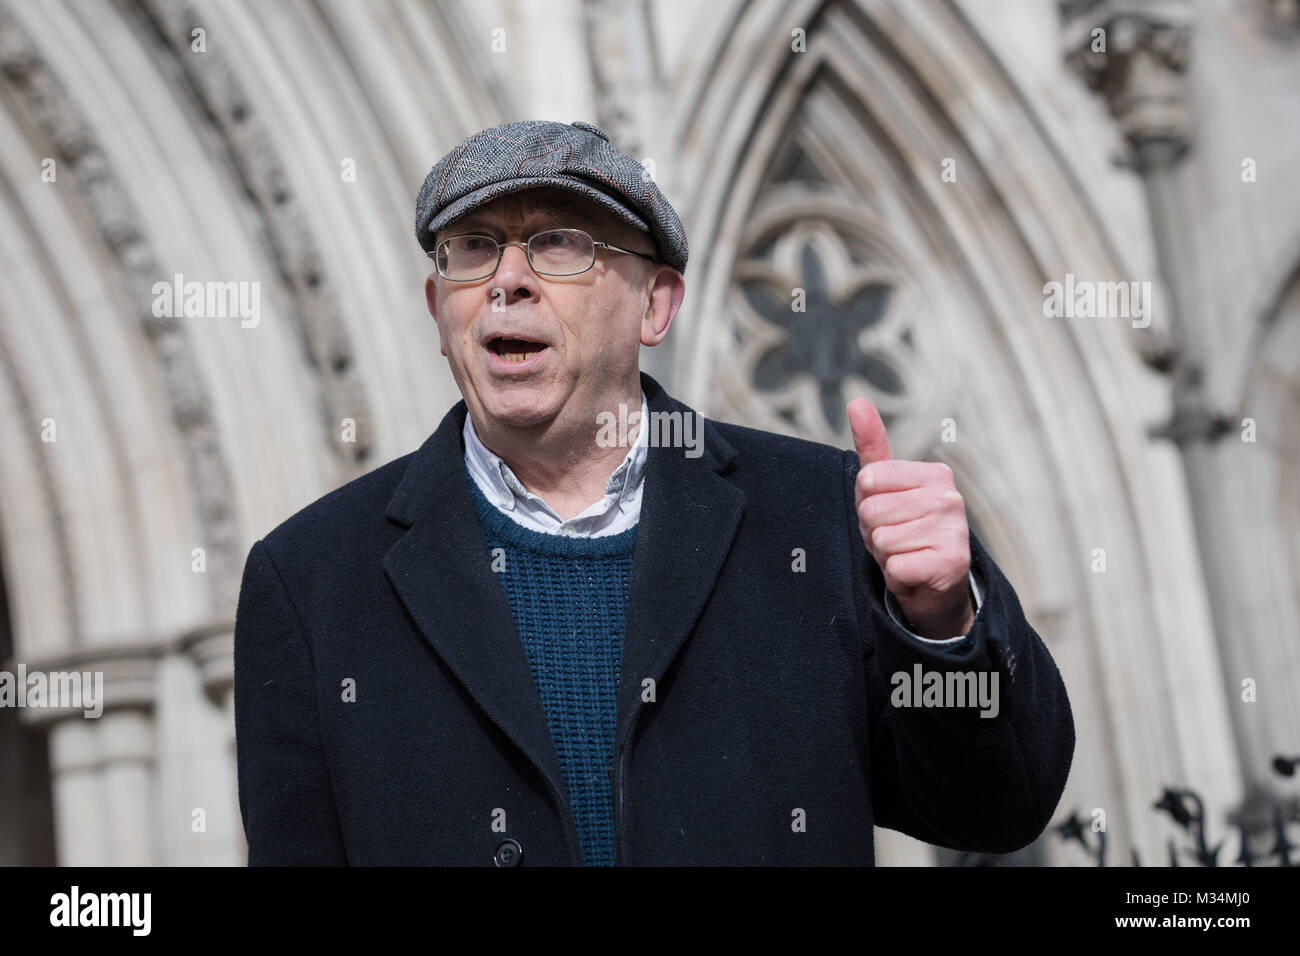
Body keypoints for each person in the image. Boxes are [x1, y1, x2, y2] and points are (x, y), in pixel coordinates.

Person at [233, 119, 1074, 866]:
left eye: (560, 244)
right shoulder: (310, 582)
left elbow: (999, 808)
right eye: (474, 248)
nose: (507, 280)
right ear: (439, 306)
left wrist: (942, 624)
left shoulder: (816, 515)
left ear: (655, 304)